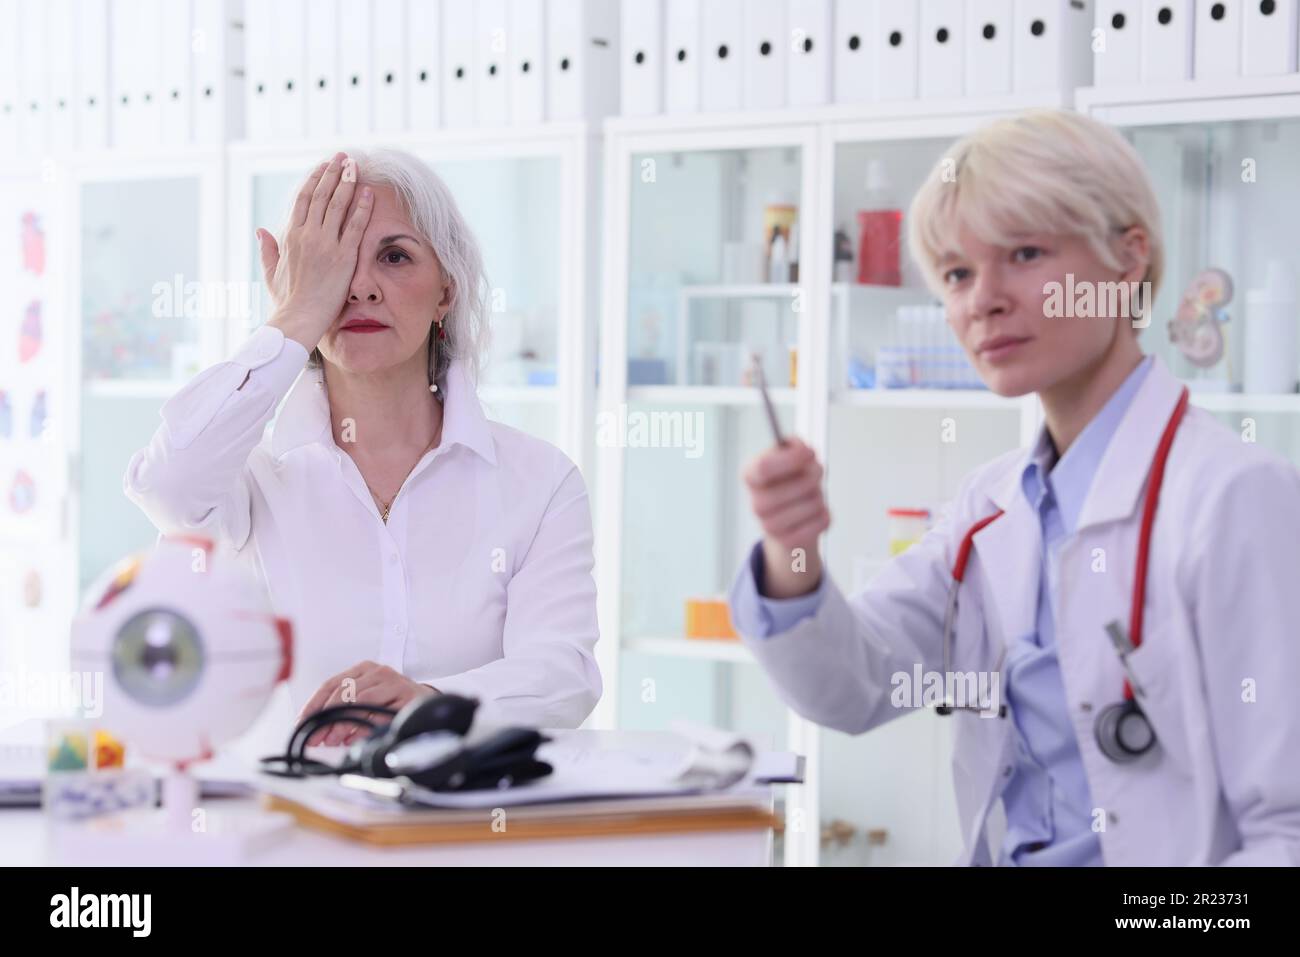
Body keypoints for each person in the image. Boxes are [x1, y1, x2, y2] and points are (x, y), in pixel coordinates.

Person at [730, 110, 1300, 866]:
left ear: (1129, 261)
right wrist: (791, 552)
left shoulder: (1236, 497)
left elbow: (1286, 832)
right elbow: (858, 685)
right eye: (959, 273)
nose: (983, 300)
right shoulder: (991, 510)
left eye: (1025, 253)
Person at [125, 150, 601, 744]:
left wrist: (428, 703)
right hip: (286, 824)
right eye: (334, 264)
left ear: (445, 294)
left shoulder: (539, 481)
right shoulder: (250, 479)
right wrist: (296, 316)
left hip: (460, 828)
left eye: (394, 257)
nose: (360, 288)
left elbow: (564, 675)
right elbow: (166, 488)